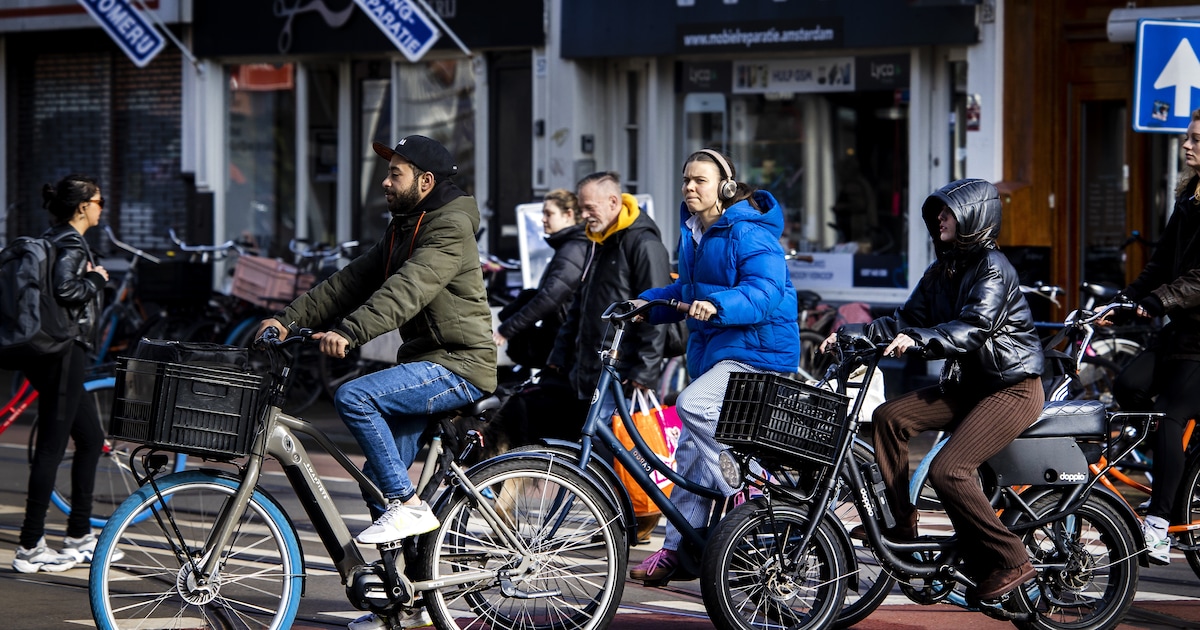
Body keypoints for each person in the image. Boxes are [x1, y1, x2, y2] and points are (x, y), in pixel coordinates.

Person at [258, 135, 495, 630]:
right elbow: (349, 282)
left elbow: (408, 289)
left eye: (395, 174)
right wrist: (287, 319)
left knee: (355, 395)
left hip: (459, 365)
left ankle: (408, 506)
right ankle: (406, 603)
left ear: (425, 181)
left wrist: (350, 332)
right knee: (376, 482)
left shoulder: (449, 227)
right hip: (425, 362)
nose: (386, 182)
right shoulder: (405, 226)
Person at [822, 178, 1045, 601]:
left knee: (948, 470)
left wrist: (920, 340)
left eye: (949, 212)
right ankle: (902, 524)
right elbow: (904, 320)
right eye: (938, 212)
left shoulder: (993, 267)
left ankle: (1013, 559)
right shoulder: (942, 270)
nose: (940, 218)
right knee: (889, 418)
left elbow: (974, 327)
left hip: (1011, 388)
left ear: (973, 218)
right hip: (971, 386)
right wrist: (849, 334)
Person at [627, 149, 800, 585]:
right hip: (718, 356)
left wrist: (718, 304)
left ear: (725, 187)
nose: (689, 187)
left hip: (757, 354)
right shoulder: (694, 233)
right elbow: (687, 291)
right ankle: (675, 549)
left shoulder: (748, 232)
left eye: (699, 180)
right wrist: (644, 304)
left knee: (691, 404)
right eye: (686, 179)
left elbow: (765, 292)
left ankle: (749, 486)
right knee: (688, 455)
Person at [1107, 108, 1200, 566]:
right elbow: (1161, 262)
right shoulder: (1189, 198)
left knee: (1169, 415)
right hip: (1180, 331)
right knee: (1127, 385)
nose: (1187, 145)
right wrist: (1125, 299)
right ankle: (1174, 469)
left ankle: (1160, 523)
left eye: (1196, 139)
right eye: (1187, 137)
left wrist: (1159, 301)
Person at [14, 174, 110, 573]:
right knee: (52, 447)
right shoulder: (71, 242)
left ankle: (79, 535)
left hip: (48, 351)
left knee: (91, 439)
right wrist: (96, 278)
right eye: (99, 201)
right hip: (64, 352)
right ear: (83, 206)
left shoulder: (51, 237)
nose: (102, 208)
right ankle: (30, 545)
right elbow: (66, 290)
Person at [492, 188, 588, 369]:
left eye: (549, 214)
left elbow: (549, 297)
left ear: (568, 215)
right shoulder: (570, 247)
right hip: (565, 339)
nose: (543, 219)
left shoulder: (573, 250)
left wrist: (507, 329)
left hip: (566, 343)